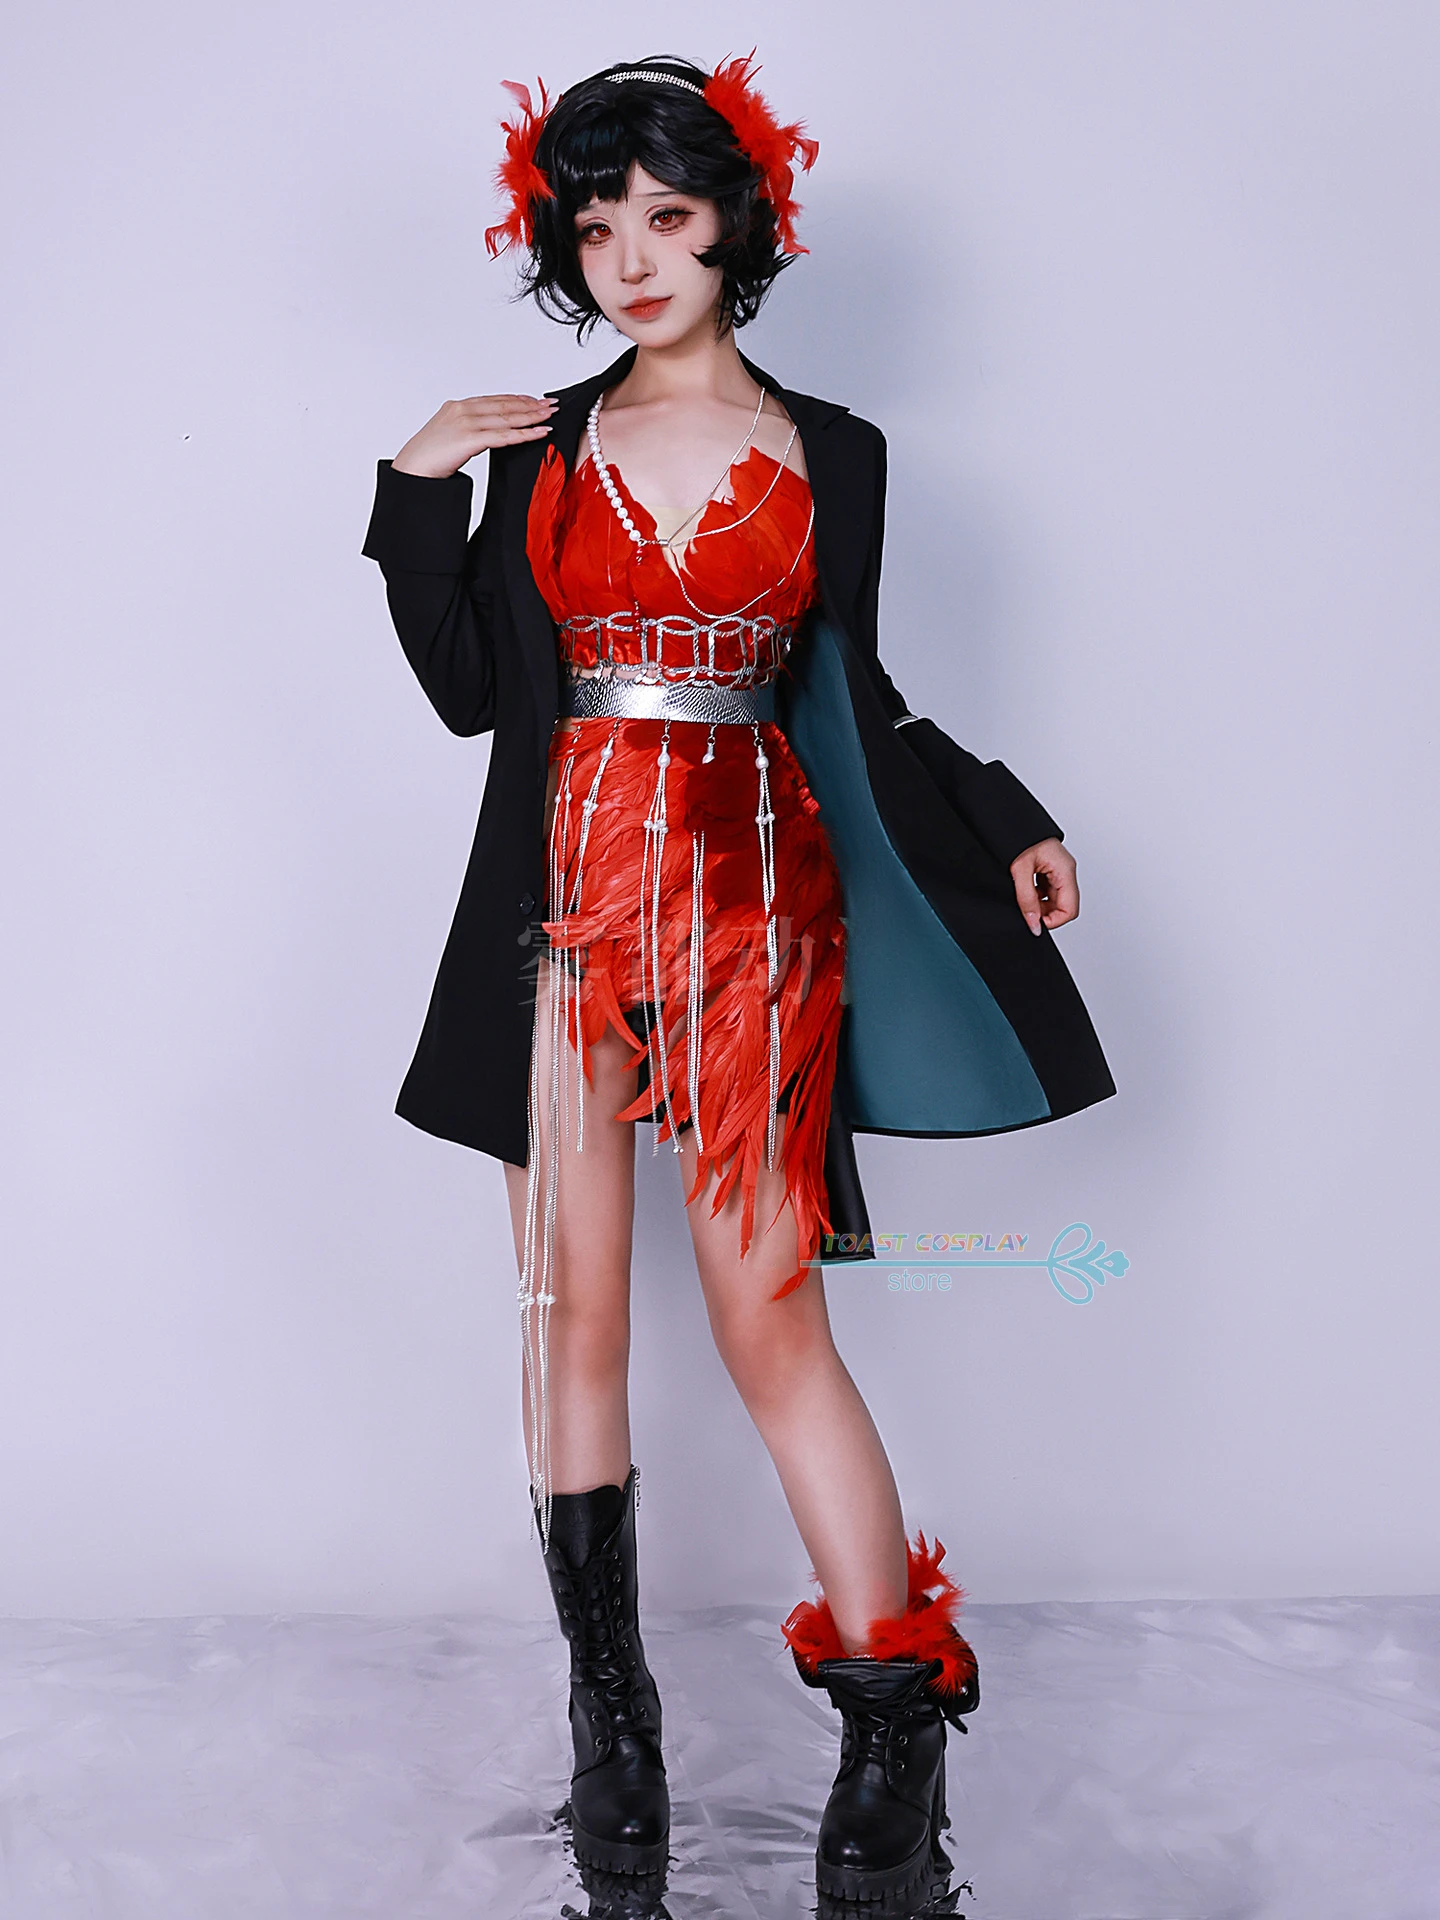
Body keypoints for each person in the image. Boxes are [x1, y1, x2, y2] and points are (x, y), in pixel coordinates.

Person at [361, 52, 1115, 1907]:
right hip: (556, 922)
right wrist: (415, 494)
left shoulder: (837, 452)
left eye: (667, 217)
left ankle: (894, 1741)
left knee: (774, 1329)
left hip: (757, 916)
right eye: (594, 227)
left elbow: (861, 689)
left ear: (734, 229)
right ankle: (613, 1734)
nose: (629, 259)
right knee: (572, 1317)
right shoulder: (539, 444)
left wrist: (1004, 812)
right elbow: (472, 689)